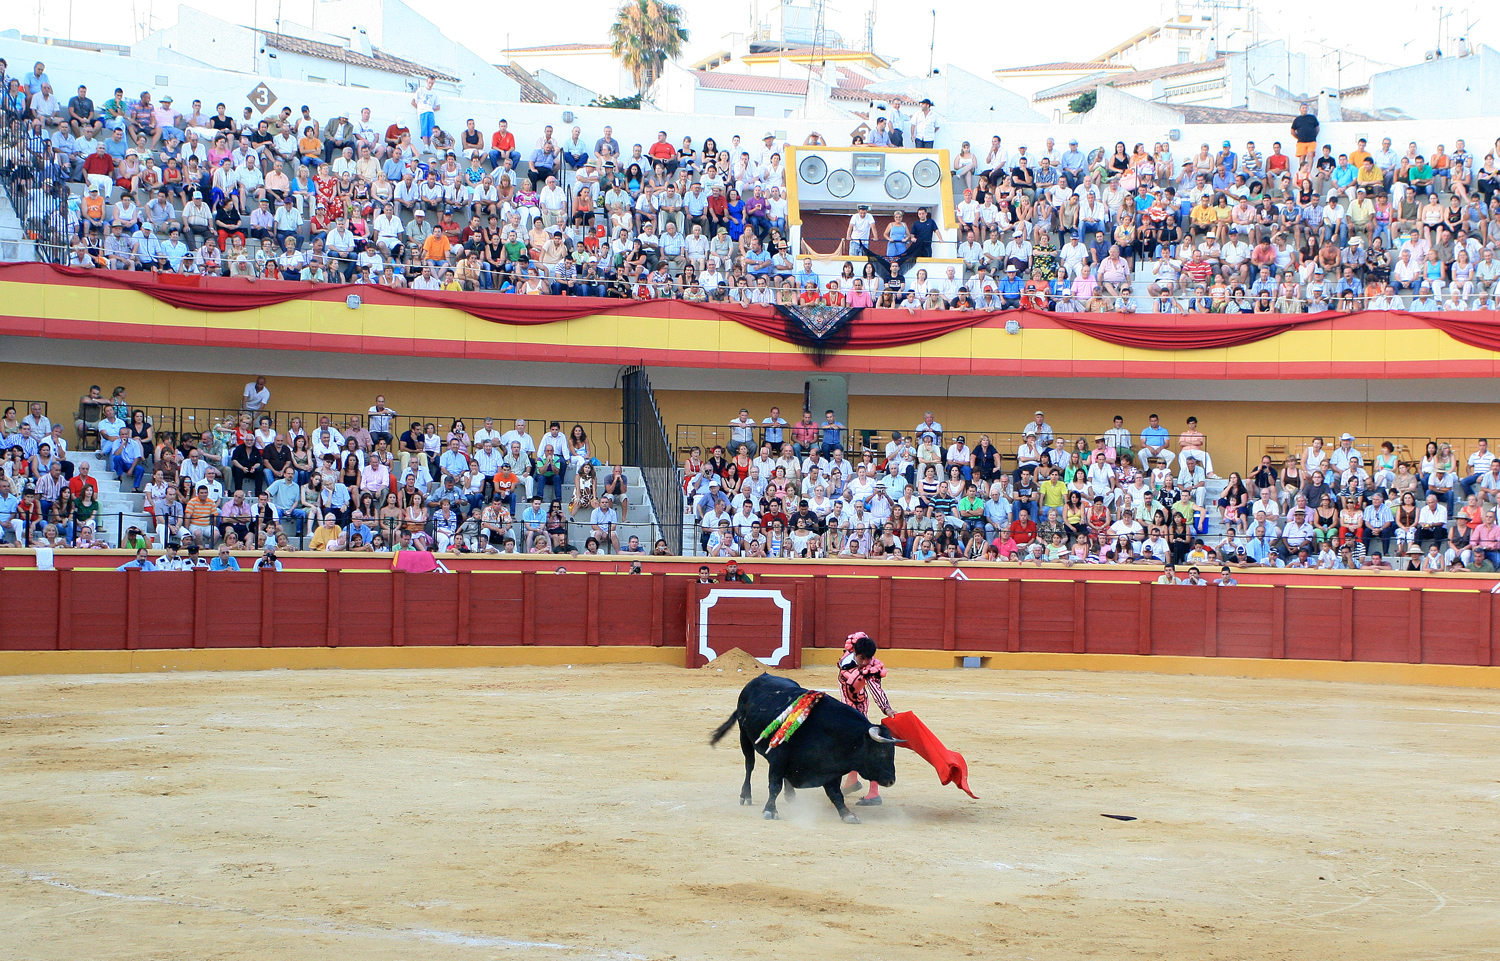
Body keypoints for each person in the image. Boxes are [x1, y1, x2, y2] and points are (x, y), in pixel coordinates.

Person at [838, 631, 895, 807]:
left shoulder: (870, 669)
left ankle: (874, 792)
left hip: (858, 709)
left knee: (864, 747)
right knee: (849, 746)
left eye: (867, 659)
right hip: (845, 707)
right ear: (855, 653)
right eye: (861, 658)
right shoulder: (847, 660)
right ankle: (852, 780)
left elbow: (875, 688)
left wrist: (886, 707)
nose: (864, 662)